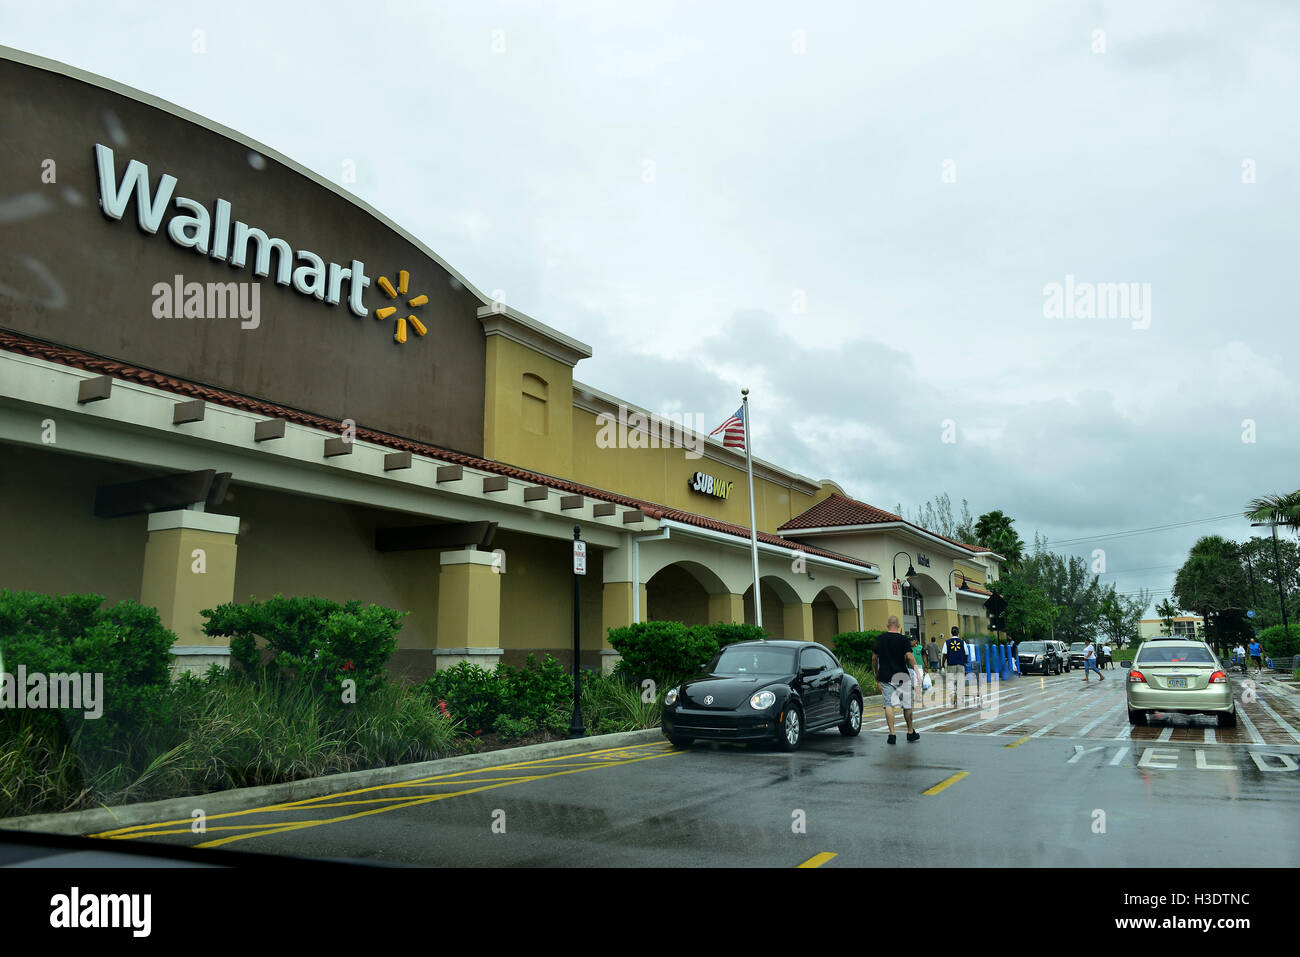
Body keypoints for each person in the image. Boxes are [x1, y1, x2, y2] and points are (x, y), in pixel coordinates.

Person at [872, 615, 920, 744]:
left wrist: (876, 673)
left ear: (887, 625)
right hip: (902, 676)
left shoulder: (880, 638)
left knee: (888, 704)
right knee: (907, 705)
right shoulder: (903, 639)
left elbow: (874, 658)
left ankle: (892, 734)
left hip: (885, 676)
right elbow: (909, 656)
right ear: (898, 626)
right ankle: (910, 732)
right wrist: (917, 673)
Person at [944, 625, 968, 708]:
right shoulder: (962, 642)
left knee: (950, 682)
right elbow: (966, 653)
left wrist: (942, 664)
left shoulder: (947, 642)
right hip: (960, 664)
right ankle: (960, 699)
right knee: (960, 682)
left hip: (951, 664)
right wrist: (965, 661)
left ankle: (952, 698)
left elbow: (944, 654)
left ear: (951, 632)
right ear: (958, 633)